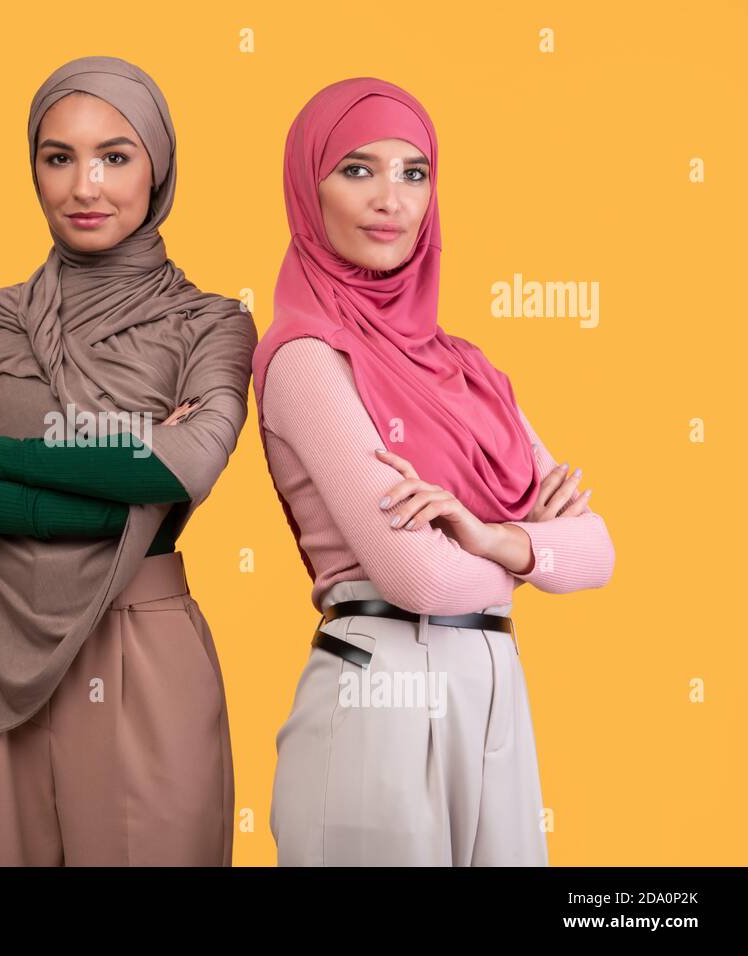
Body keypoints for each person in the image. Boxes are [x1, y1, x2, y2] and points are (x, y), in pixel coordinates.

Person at [0, 55, 256, 866]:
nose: (85, 186)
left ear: (157, 166)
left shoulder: (211, 324)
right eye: (59, 158)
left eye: (114, 156)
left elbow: (176, 467)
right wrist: (108, 497)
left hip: (141, 656)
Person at [252, 77, 616, 866]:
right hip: (381, 686)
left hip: (494, 689)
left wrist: (486, 537)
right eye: (357, 169)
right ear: (307, 190)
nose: (393, 198)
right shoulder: (307, 358)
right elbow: (419, 578)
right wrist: (531, 549)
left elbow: (600, 552)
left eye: (414, 172)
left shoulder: (466, 372)